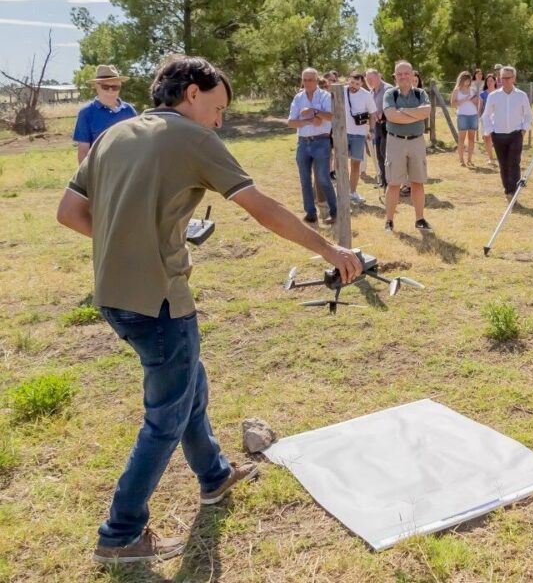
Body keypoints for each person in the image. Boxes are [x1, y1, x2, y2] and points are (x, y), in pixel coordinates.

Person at [56, 55, 362, 565]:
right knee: (166, 416)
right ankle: (120, 533)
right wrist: (330, 250)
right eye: (217, 108)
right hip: (158, 300)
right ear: (192, 93)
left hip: (113, 295)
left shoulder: (115, 134)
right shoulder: (192, 139)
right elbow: (261, 206)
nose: (219, 121)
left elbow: (70, 213)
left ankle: (214, 477)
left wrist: (128, 244)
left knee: (187, 385)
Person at [383, 60, 433, 232]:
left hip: (417, 141)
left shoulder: (420, 93)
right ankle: (389, 221)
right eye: (399, 74)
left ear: (413, 75)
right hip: (395, 141)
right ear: (395, 76)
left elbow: (426, 112)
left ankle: (420, 219)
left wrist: (402, 111)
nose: (403, 76)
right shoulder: (390, 94)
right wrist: (415, 114)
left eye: (406, 73)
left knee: (417, 182)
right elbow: (391, 116)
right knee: (394, 183)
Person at [287, 68, 337, 224]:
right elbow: (291, 122)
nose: (307, 83)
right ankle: (310, 213)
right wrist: (310, 120)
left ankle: (335, 212)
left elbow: (331, 116)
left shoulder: (325, 96)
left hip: (321, 141)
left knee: (323, 178)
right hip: (303, 142)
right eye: (305, 80)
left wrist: (313, 111)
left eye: (311, 79)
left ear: (317, 80)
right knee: (304, 180)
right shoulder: (298, 97)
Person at [482, 66, 532, 201]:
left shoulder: (521, 96)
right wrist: (490, 131)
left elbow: (528, 115)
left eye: (507, 78)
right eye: (502, 78)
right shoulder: (493, 96)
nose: (504, 80)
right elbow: (486, 115)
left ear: (514, 78)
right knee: (503, 164)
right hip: (498, 135)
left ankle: (513, 192)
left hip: (516, 134)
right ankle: (507, 190)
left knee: (514, 163)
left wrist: (523, 130)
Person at [73, 65, 138, 164]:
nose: (110, 91)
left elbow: (137, 144)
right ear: (96, 87)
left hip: (127, 171)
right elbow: (83, 151)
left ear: (120, 87)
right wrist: (86, 177)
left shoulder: (129, 110)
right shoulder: (86, 113)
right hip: (99, 171)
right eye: (105, 87)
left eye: (115, 87)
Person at [344, 71, 377, 204]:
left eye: (357, 84)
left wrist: (372, 130)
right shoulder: (341, 91)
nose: (354, 86)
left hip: (358, 134)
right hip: (342, 133)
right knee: (340, 163)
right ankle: (342, 191)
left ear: (361, 83)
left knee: (355, 163)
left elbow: (372, 114)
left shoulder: (366, 95)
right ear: (348, 80)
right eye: (352, 82)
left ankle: (352, 192)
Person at [365, 68, 389, 188]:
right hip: (376, 126)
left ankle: (391, 181)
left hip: (388, 126)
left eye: (371, 79)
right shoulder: (371, 92)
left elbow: (391, 106)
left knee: (384, 152)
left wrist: (382, 114)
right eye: (367, 79)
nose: (369, 81)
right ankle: (384, 181)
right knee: (378, 154)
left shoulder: (388, 89)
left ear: (378, 76)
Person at [451, 71, 481, 167]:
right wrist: (465, 99)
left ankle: (469, 159)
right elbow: (452, 104)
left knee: (472, 139)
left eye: (469, 79)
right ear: (462, 79)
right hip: (462, 116)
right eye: (466, 79)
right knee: (461, 139)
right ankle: (461, 160)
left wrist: (474, 100)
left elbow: (478, 102)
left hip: (473, 115)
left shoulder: (473, 90)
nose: (468, 81)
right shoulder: (457, 90)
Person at [479, 73, 499, 166]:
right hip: (486, 118)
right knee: (487, 138)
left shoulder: (499, 93)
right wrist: (479, 118)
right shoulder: (482, 94)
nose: (490, 82)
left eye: (491, 80)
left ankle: (500, 157)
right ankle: (490, 158)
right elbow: (480, 107)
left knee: (497, 138)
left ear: (495, 81)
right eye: (488, 81)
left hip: (497, 118)